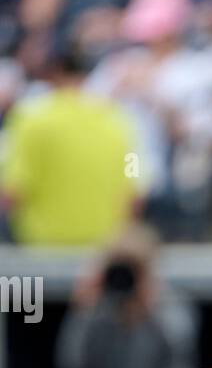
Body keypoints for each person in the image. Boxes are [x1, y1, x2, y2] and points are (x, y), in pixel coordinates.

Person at [0, 42, 140, 248]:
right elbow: (134, 183)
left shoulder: (31, 119)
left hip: (40, 252)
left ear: (52, 73)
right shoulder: (119, 120)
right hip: (101, 250)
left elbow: (15, 190)